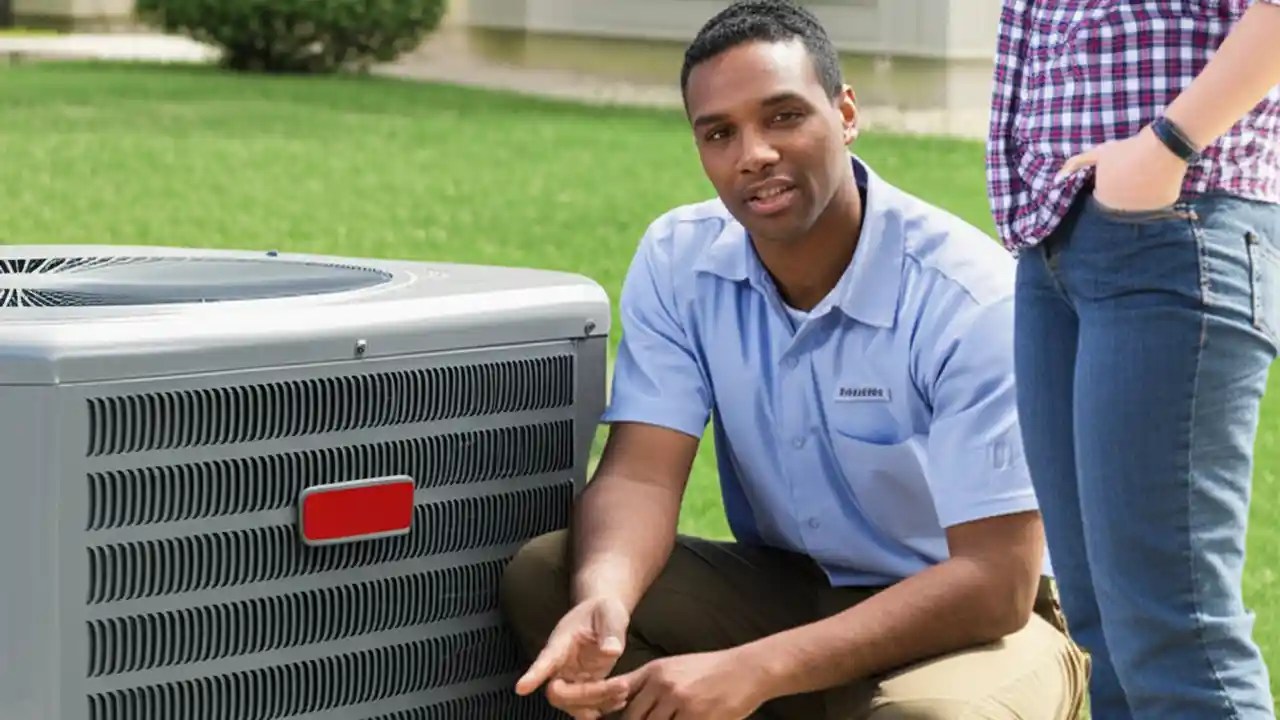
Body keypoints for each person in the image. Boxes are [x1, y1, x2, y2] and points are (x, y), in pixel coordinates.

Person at [500, 1, 1089, 718]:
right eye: (719, 133)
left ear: (845, 113)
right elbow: (642, 475)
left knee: (932, 718)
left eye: (783, 116)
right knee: (551, 576)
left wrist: (757, 669)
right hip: (792, 585)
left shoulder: (970, 298)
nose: (752, 153)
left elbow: (995, 581)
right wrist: (605, 599)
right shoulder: (681, 260)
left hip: (979, 620)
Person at [986, 2, 1280, 719]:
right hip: (1056, 232)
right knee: (1103, 630)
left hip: (1176, 222)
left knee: (1173, 635)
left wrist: (1167, 146)